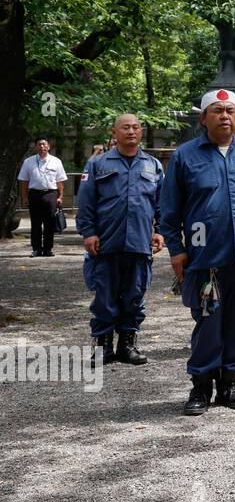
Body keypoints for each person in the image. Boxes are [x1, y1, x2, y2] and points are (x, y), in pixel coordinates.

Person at [160, 90, 235, 416]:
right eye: (217, 111)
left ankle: (230, 383)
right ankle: (201, 385)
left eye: (230, 111)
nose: (225, 116)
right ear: (203, 118)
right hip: (204, 257)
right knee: (209, 321)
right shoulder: (185, 156)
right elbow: (169, 209)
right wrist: (176, 250)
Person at [76, 114, 164, 367]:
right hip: (105, 243)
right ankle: (102, 346)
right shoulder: (97, 164)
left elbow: (162, 204)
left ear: (142, 132)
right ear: (114, 132)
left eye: (136, 127)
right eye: (125, 127)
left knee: (135, 293)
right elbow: (86, 202)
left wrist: (159, 231)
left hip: (139, 243)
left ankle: (127, 344)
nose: (131, 131)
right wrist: (88, 232)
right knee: (104, 294)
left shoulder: (152, 165)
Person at [17, 137, 68, 257]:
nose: (42, 147)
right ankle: (36, 249)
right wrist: (24, 197)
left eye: (44, 144)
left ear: (48, 146)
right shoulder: (28, 162)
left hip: (50, 194)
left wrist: (60, 196)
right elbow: (24, 181)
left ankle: (48, 249)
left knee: (49, 223)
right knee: (35, 223)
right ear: (35, 147)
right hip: (34, 194)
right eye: (39, 144)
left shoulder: (56, 161)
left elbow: (60, 181)